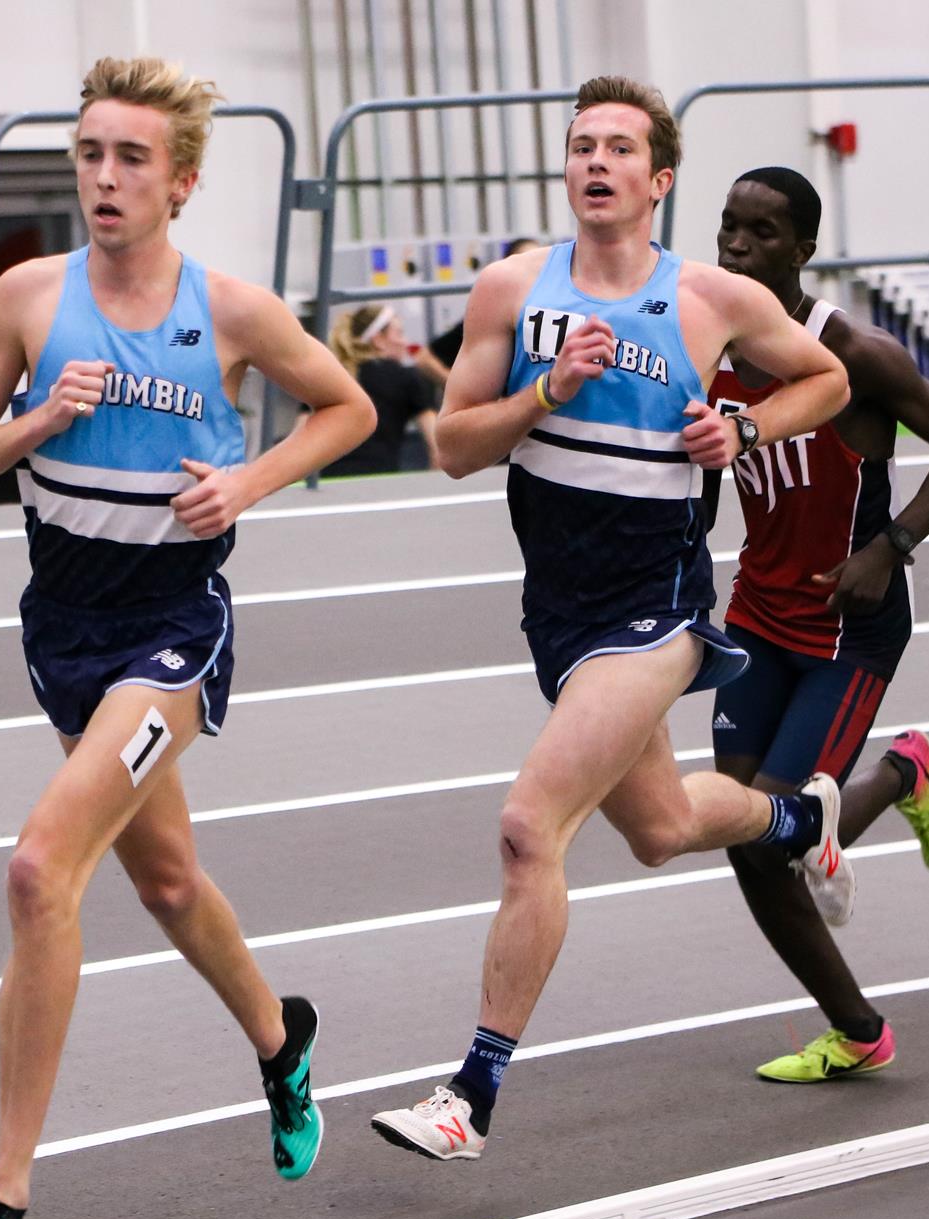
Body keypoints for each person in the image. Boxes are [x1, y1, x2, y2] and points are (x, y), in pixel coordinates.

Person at [0, 57, 374, 1219]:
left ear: (178, 182)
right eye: (87, 153)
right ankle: (284, 1043)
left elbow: (346, 409)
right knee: (169, 882)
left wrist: (247, 479)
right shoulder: (26, 296)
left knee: (37, 869)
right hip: (63, 632)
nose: (104, 177)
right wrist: (32, 423)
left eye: (129, 158)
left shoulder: (226, 309)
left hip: (170, 633)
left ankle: (0, 1196)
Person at [369, 76, 850, 1163]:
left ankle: (469, 1095)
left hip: (657, 611)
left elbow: (822, 378)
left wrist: (744, 423)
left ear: (656, 179)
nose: (595, 162)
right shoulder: (509, 291)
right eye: (580, 145)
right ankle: (798, 821)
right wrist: (543, 392)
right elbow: (448, 449)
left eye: (618, 149)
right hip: (559, 610)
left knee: (528, 825)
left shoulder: (709, 299)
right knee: (660, 828)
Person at [709, 167, 929, 1082]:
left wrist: (892, 545)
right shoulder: (704, 338)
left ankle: (904, 772)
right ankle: (859, 1031)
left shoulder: (854, 352)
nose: (737, 246)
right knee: (741, 835)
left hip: (846, 623)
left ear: (804, 249)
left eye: (761, 232)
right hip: (755, 612)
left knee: (778, 835)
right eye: (727, 228)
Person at [326, 303, 447, 472]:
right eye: (399, 333)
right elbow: (438, 448)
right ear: (378, 340)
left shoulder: (330, 377)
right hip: (381, 481)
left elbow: (302, 436)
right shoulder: (406, 377)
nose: (405, 342)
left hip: (327, 483)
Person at [430, 235, 543, 368]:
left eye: (539, 262)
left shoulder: (551, 311)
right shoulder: (491, 316)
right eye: (526, 261)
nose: (535, 270)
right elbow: (426, 358)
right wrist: (452, 383)